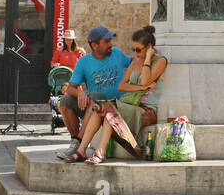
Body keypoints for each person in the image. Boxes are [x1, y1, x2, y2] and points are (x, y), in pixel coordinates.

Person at [68, 26, 167, 164]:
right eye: (133, 49)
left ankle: (100, 153)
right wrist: (142, 87)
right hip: (129, 105)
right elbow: (122, 85)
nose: (136, 53)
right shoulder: (135, 62)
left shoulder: (160, 61)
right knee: (100, 108)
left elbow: (145, 79)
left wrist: (148, 58)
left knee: (108, 109)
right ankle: (81, 150)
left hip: (147, 110)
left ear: (149, 47)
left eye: (139, 50)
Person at [56, 25, 131, 160]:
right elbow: (70, 88)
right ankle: (75, 142)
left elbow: (134, 63)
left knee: (95, 96)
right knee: (64, 102)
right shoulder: (84, 61)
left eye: (110, 41)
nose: (110, 44)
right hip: (93, 107)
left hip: (115, 105)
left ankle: (79, 145)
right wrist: (80, 94)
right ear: (95, 46)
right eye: (106, 41)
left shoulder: (117, 53)